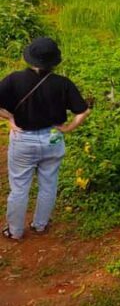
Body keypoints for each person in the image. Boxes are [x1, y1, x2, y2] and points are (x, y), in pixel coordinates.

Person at [0, 37, 91, 241]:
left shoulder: (14, 79)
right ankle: (40, 225)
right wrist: (67, 128)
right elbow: (83, 111)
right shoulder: (62, 83)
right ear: (54, 61)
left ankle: (14, 231)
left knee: (19, 187)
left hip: (23, 138)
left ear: (29, 58)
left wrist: (10, 117)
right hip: (52, 138)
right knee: (49, 183)